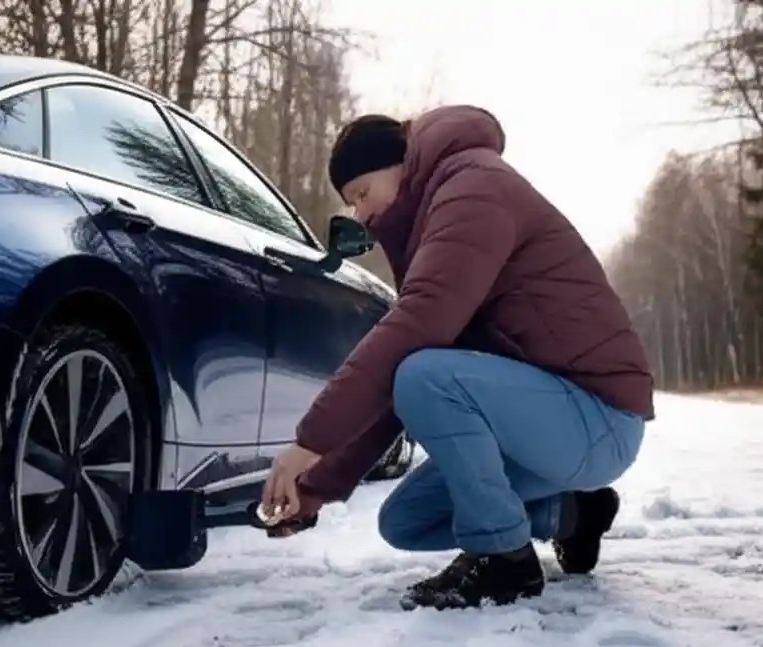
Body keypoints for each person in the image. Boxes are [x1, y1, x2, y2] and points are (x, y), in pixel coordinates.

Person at [259, 105, 654, 611]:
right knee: (405, 521)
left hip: (599, 415)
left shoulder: (473, 188)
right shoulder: (434, 216)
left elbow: (416, 336)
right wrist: (315, 486)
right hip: (546, 426)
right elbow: (395, 385)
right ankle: (570, 512)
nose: (361, 214)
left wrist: (308, 442)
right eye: (351, 204)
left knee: (425, 376)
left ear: (400, 164)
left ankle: (504, 560)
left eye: (362, 194)